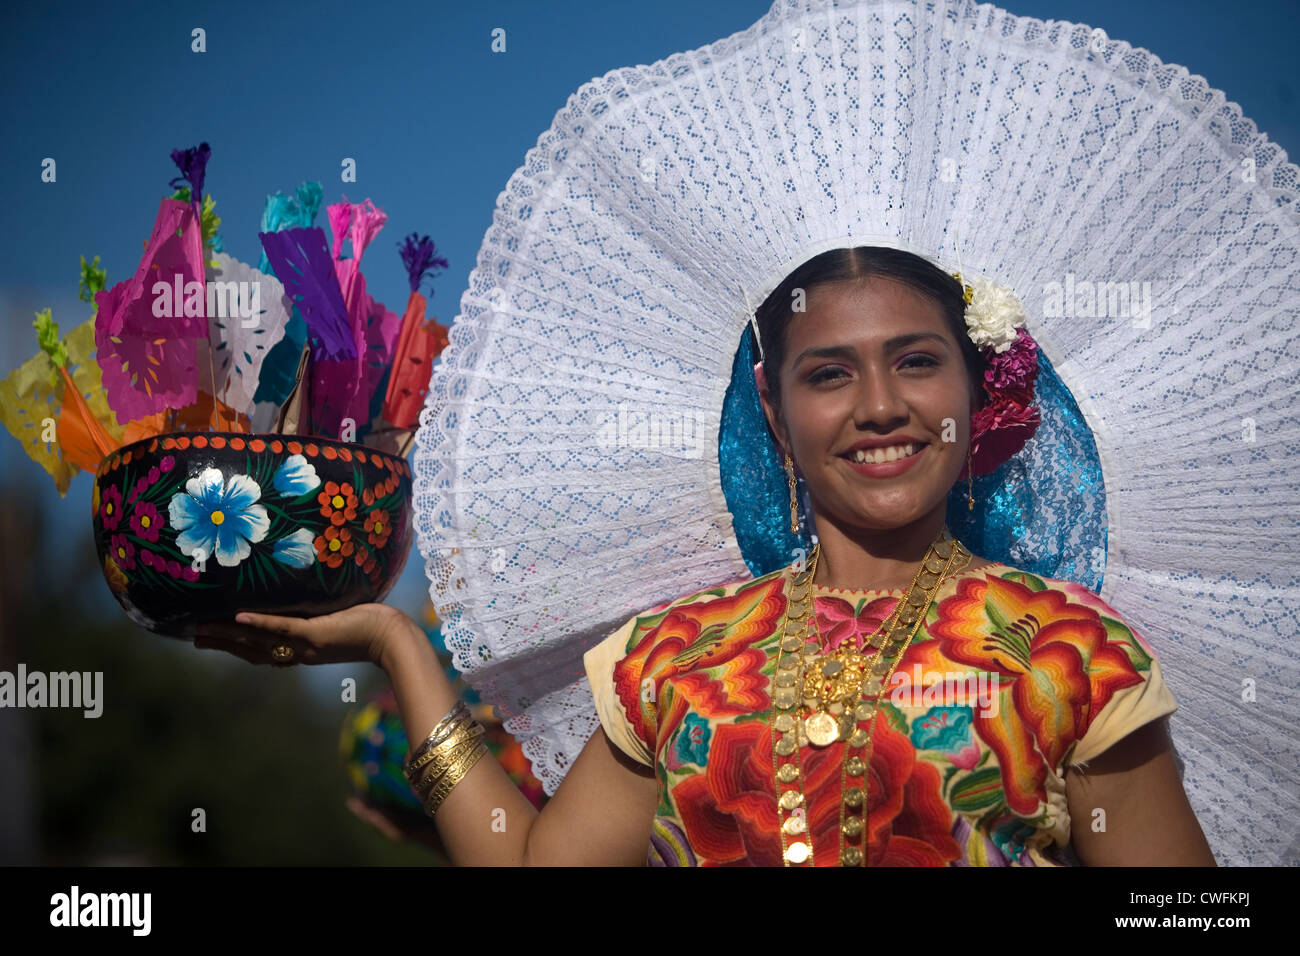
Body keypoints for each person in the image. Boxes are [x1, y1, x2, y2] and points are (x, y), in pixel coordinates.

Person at [194, 245, 1215, 867]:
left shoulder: (1071, 655)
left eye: (915, 360)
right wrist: (392, 644)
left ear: (971, 391)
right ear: (774, 414)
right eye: (829, 373)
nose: (880, 405)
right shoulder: (673, 656)